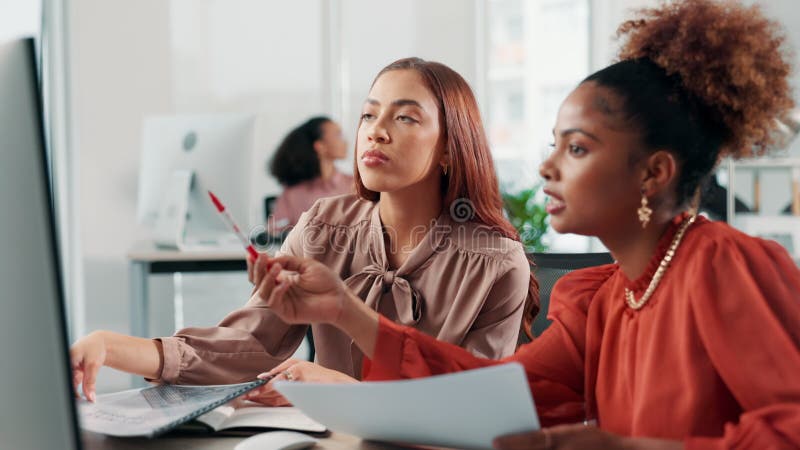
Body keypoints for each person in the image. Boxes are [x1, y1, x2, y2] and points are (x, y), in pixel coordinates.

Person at [249, 1, 800, 448]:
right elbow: (489, 395)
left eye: (577, 148)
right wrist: (344, 310)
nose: (547, 167)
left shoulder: (722, 265)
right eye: (553, 144)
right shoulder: (602, 301)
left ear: (653, 173)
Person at [70, 58, 538, 406]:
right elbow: (249, 343)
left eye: (404, 117)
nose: (375, 132)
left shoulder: (495, 262)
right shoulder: (323, 226)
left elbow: (473, 407)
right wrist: (111, 346)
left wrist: (343, 392)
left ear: (451, 149)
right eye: (368, 115)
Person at [267, 116, 353, 233]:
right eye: (338, 135)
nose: (345, 142)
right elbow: (273, 233)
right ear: (320, 146)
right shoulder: (293, 193)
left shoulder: (355, 186)